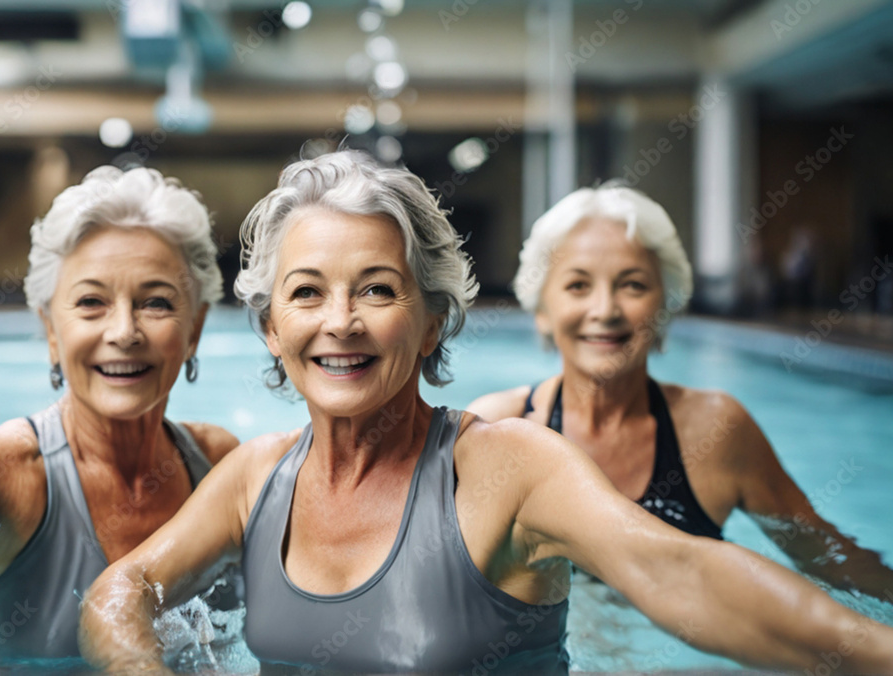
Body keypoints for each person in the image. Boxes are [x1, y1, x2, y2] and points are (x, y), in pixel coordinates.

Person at [79, 152, 893, 675]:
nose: (342, 321)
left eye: (377, 288)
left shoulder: (509, 467)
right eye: (307, 293)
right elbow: (123, 590)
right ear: (271, 327)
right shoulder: (255, 478)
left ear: (432, 319)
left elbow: (680, 570)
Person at [468, 183, 893, 599]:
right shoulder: (498, 427)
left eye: (632, 285)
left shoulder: (715, 431)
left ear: (667, 305)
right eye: (578, 286)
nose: (605, 310)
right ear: (542, 310)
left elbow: (829, 558)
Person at [0, 166, 240, 669]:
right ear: (51, 329)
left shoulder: (217, 466)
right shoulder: (4, 474)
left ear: (196, 328)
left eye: (156, 302)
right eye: (91, 302)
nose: (124, 331)